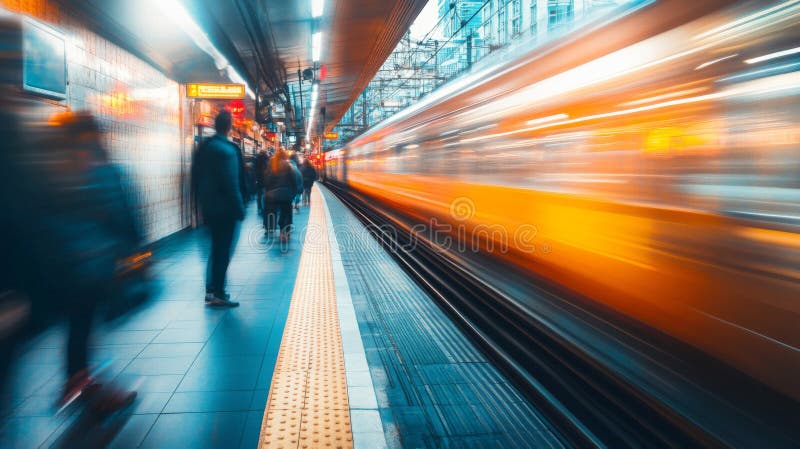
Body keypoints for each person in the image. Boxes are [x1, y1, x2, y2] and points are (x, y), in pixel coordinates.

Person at [192, 110, 244, 307]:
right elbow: (232, 184)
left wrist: (199, 205)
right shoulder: (227, 150)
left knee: (215, 249)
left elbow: (195, 178)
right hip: (226, 210)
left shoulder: (204, 147)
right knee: (223, 251)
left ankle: (210, 290)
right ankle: (219, 293)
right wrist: (239, 208)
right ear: (229, 127)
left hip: (209, 208)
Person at [264, 148, 301, 243]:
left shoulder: (272, 165)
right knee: (286, 213)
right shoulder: (288, 166)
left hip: (273, 195)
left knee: (275, 212)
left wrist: (269, 192)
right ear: (285, 156)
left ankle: (275, 230)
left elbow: (267, 181)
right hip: (286, 194)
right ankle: (285, 233)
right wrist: (294, 192)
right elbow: (294, 181)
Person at [254, 150, 268, 215]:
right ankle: (264, 207)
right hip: (265, 179)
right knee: (264, 194)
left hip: (259, 180)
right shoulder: (266, 159)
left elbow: (255, 170)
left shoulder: (256, 159)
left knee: (259, 195)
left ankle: (259, 207)